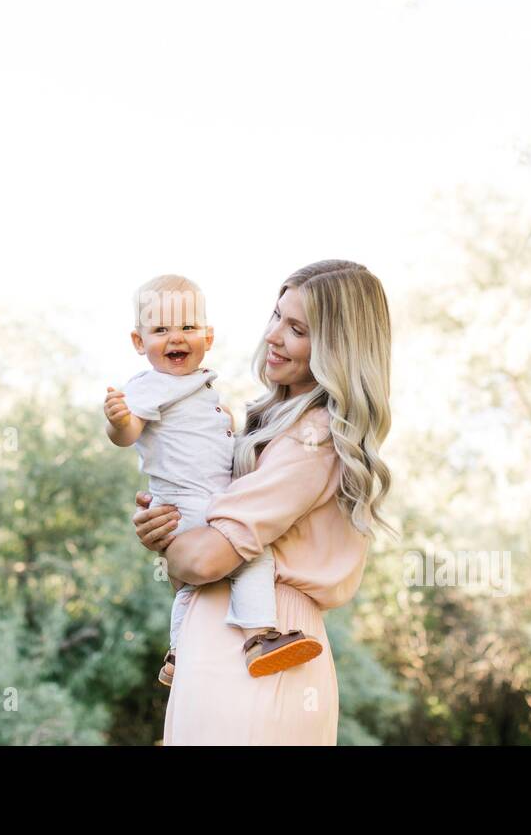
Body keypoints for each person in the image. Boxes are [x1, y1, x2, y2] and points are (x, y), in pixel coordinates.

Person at [131, 259, 398, 745]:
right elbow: (192, 568)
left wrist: (170, 538)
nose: (274, 335)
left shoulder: (312, 439)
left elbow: (207, 558)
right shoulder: (271, 429)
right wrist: (172, 535)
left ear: (338, 349)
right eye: (277, 316)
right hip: (220, 642)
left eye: (296, 328)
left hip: (265, 650)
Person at [105, 273, 324, 688]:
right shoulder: (154, 386)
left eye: (187, 327)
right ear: (139, 342)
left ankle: (176, 652)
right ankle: (259, 635)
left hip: (200, 505)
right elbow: (128, 433)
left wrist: (173, 550)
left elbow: (195, 564)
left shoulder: (203, 388)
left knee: (195, 582)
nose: (176, 338)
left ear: (208, 336)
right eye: (161, 329)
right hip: (190, 500)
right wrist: (119, 423)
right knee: (252, 556)